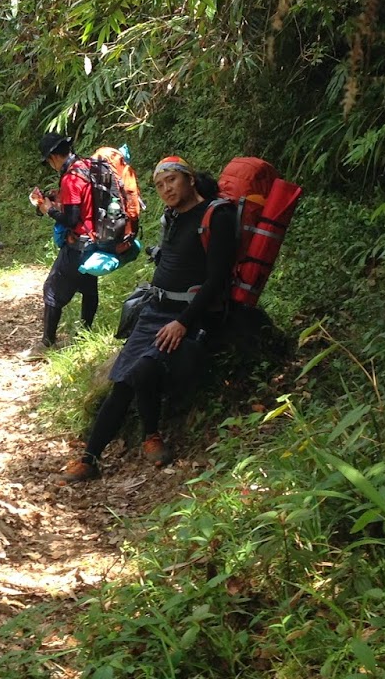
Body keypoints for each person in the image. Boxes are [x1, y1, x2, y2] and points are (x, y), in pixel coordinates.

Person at [58, 154, 238, 483]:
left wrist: (183, 322)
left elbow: (217, 279)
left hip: (188, 316)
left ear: (190, 178)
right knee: (123, 379)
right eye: (159, 184)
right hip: (156, 310)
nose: (166, 188)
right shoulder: (172, 216)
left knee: (143, 370)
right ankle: (89, 458)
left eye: (172, 179)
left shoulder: (216, 216)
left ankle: (150, 436)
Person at [32, 132, 97, 348]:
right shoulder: (85, 166)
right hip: (94, 240)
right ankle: (85, 336)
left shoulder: (71, 178)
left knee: (51, 289)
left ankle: (46, 344)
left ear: (53, 157)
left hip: (78, 245)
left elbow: (71, 219)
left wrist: (48, 209)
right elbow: (84, 208)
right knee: (89, 288)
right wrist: (58, 201)